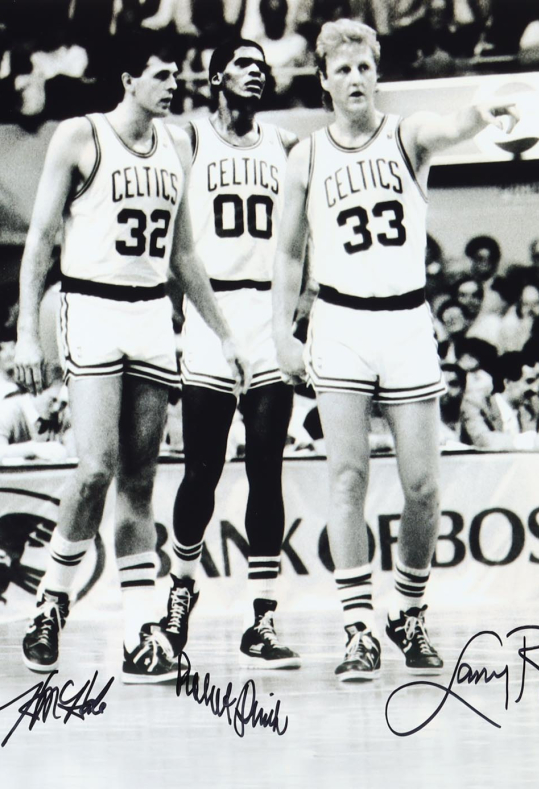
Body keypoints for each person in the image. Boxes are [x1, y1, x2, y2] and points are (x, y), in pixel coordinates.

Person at [272, 19, 518, 682]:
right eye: (342, 69)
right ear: (323, 79)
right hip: (342, 324)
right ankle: (357, 626)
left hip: (407, 324)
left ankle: (407, 612)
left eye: (364, 67)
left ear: (377, 74)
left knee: (423, 485)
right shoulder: (307, 157)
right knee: (347, 478)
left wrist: (477, 113)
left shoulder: (406, 136)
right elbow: (289, 250)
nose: (355, 79)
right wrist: (280, 329)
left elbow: (449, 127)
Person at [13, 42, 249, 682]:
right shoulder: (80, 137)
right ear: (128, 80)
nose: (175, 84)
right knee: (94, 469)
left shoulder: (177, 146)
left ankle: (139, 634)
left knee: (140, 481)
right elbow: (40, 239)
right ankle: (52, 601)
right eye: (162, 74)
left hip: (150, 316)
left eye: (179, 74)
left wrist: (222, 331)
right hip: (89, 307)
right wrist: (26, 335)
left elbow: (186, 256)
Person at [158, 39, 301, 669]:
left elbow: (306, 235)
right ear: (217, 77)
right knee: (203, 472)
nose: (258, 73)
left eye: (263, 67)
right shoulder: (190, 140)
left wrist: (298, 315)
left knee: (267, 468)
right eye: (245, 64)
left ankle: (263, 618)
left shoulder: (285, 146)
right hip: (211, 317)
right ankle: (180, 594)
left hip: (267, 314)